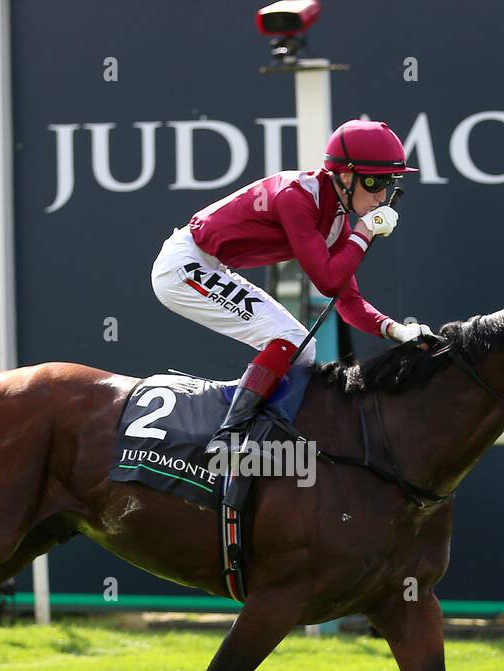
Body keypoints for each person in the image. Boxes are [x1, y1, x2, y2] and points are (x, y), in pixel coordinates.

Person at [150, 118, 433, 454]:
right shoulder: (296, 198)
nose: (381, 197)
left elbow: (348, 302)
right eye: (374, 182)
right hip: (183, 266)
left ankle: (256, 429)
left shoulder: (336, 218)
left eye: (389, 183)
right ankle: (231, 434)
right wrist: (364, 232)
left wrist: (398, 332)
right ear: (345, 175)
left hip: (207, 264)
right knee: (293, 340)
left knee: (300, 348)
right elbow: (328, 282)